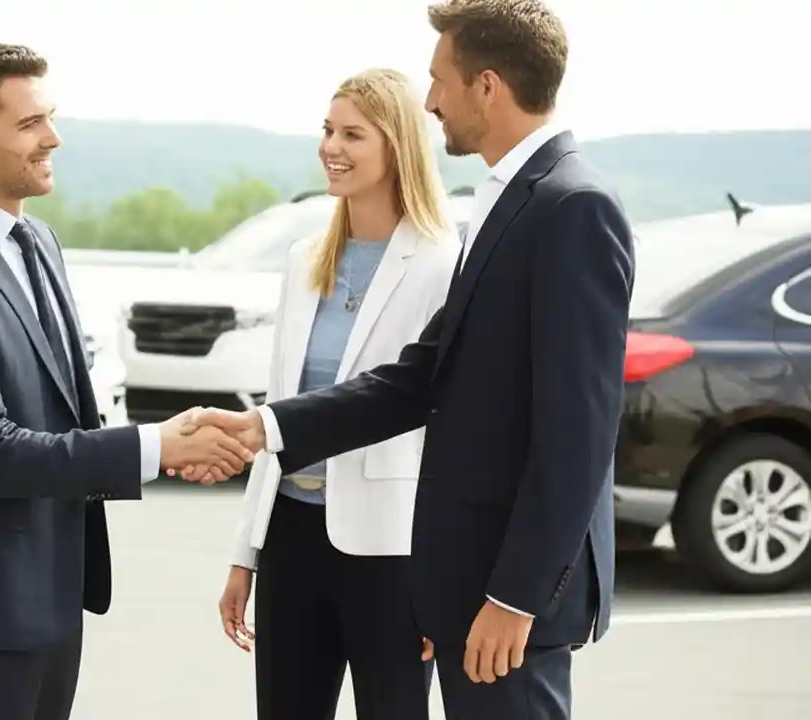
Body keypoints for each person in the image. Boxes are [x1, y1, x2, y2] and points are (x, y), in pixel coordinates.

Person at [179, 1, 636, 718]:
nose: (431, 100)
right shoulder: (510, 201)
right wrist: (265, 428)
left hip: (504, 602)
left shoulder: (571, 206)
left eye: (440, 80)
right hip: (463, 591)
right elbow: (422, 377)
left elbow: (578, 435)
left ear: (487, 85)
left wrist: (514, 597)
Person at [0, 41, 253, 720]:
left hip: (54, 589)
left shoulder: (38, 243)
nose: (54, 138)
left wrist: (179, 446)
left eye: (50, 117)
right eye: (29, 125)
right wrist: (158, 447)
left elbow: (63, 418)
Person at [217, 68, 458, 720]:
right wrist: (246, 554)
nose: (332, 147)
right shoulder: (304, 259)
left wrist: (448, 579)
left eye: (353, 134)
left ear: (398, 146)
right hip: (291, 535)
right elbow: (280, 406)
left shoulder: (443, 263)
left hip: (392, 553)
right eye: (328, 130)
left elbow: (448, 429)